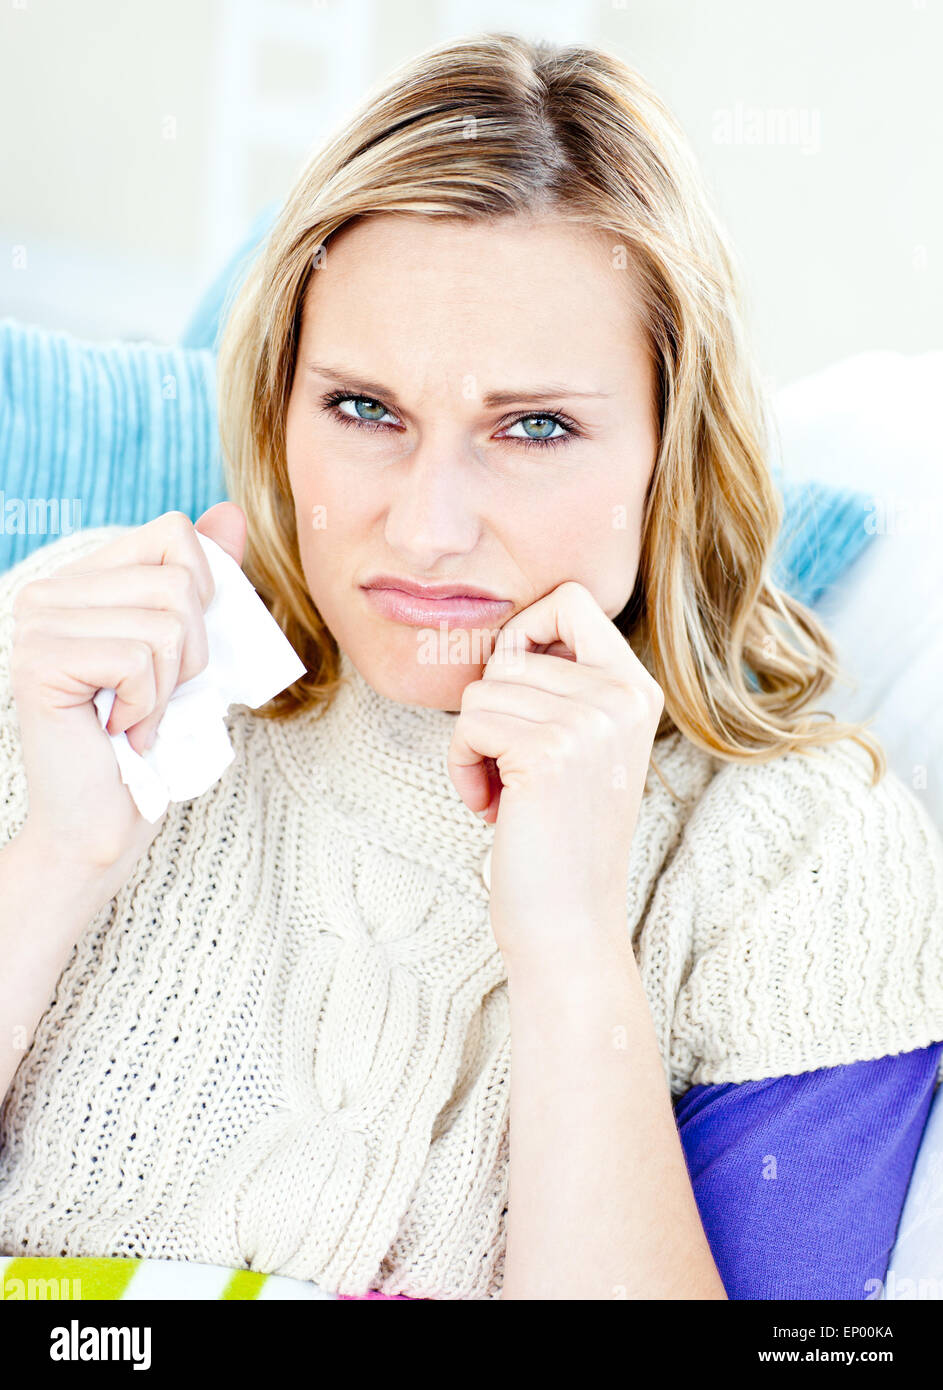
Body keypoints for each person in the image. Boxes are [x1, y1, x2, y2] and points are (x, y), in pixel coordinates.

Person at [1, 31, 942, 1301]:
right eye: (364, 409)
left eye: (535, 425)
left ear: (673, 448)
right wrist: (53, 854)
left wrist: (568, 944)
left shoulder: (802, 858)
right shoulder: (74, 671)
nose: (430, 525)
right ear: (278, 408)